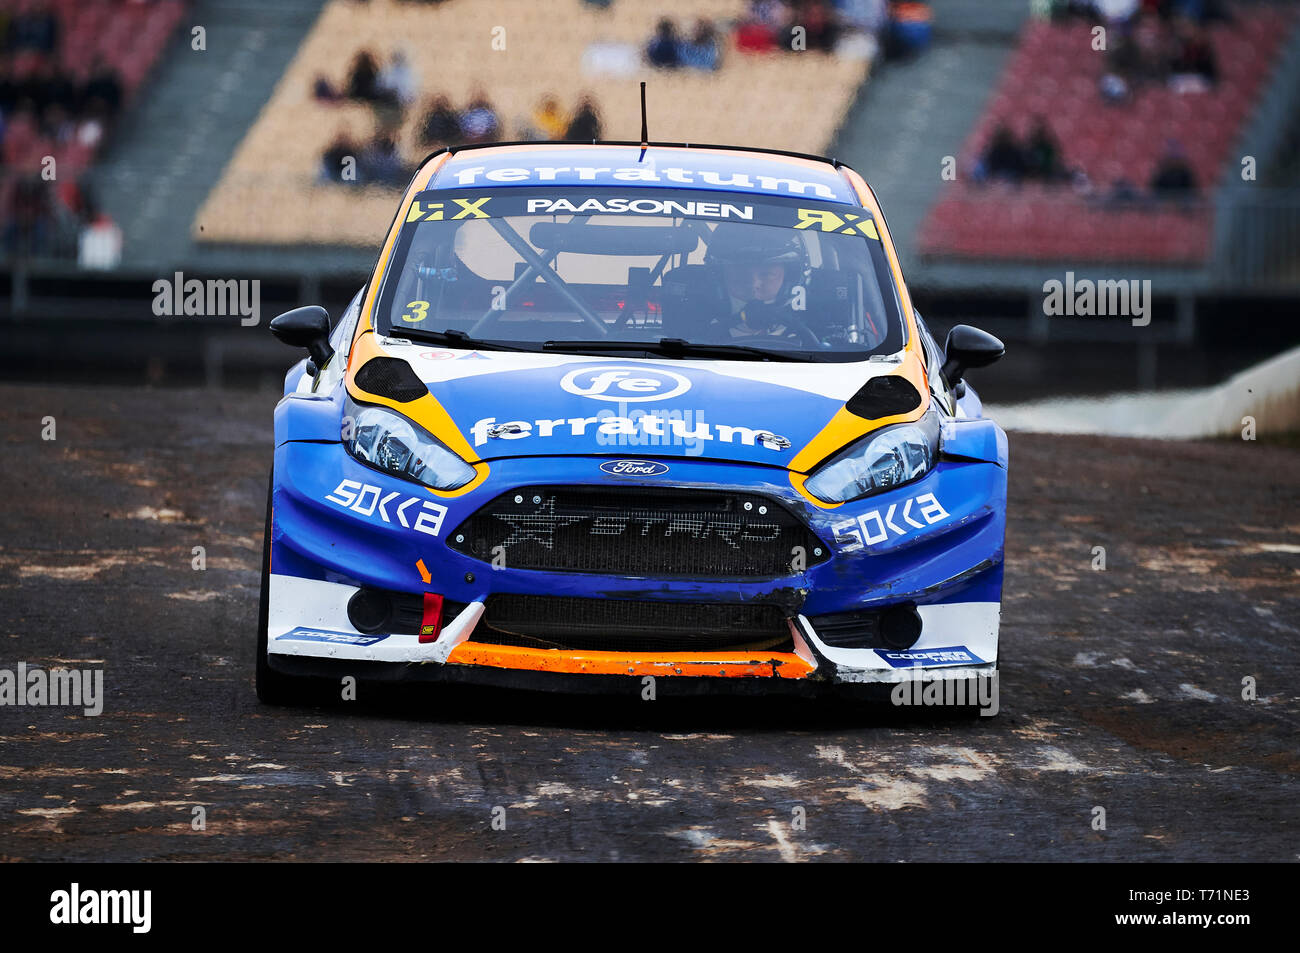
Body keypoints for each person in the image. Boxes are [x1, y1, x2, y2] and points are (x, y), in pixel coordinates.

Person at [704, 225, 810, 341]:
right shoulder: (694, 323)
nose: (754, 284)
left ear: (789, 278)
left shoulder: (816, 323)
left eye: (767, 274)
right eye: (741, 274)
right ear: (720, 276)